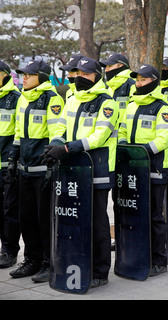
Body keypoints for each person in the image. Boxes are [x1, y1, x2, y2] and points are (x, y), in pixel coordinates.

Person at [42, 57, 119, 288]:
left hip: (98, 169)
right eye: (76, 73)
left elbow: (99, 136)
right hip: (73, 169)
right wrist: (55, 143)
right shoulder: (72, 98)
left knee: (97, 222)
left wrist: (66, 148)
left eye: (84, 74)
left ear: (96, 75)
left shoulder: (107, 103)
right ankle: (77, 264)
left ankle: (99, 272)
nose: (78, 78)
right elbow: (61, 125)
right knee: (74, 220)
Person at [8, 60, 65, 281]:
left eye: (29, 75)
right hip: (25, 169)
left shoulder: (52, 100)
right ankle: (31, 260)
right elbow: (18, 131)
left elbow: (56, 131)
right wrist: (14, 156)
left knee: (44, 220)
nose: (24, 78)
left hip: (43, 170)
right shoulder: (23, 98)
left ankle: (47, 262)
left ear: (41, 77)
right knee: (27, 218)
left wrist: (51, 164)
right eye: (22, 74)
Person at [118, 64, 168, 276]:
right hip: (133, 169)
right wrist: (125, 146)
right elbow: (122, 129)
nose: (138, 83)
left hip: (154, 169)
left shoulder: (163, 108)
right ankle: (139, 255)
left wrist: (140, 153)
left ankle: (158, 261)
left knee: (154, 216)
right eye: (137, 79)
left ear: (153, 81)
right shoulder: (131, 105)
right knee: (136, 214)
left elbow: (163, 139)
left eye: (142, 79)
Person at [0, 61, 21, 269]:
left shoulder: (16, 99)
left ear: (5, 75)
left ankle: (9, 250)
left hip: (7, 164)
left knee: (9, 209)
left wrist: (13, 159)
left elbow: (18, 131)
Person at [100, 53, 136, 124]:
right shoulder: (109, 86)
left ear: (121, 66)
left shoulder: (133, 85)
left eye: (110, 66)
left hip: (125, 132)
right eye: (106, 67)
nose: (106, 70)